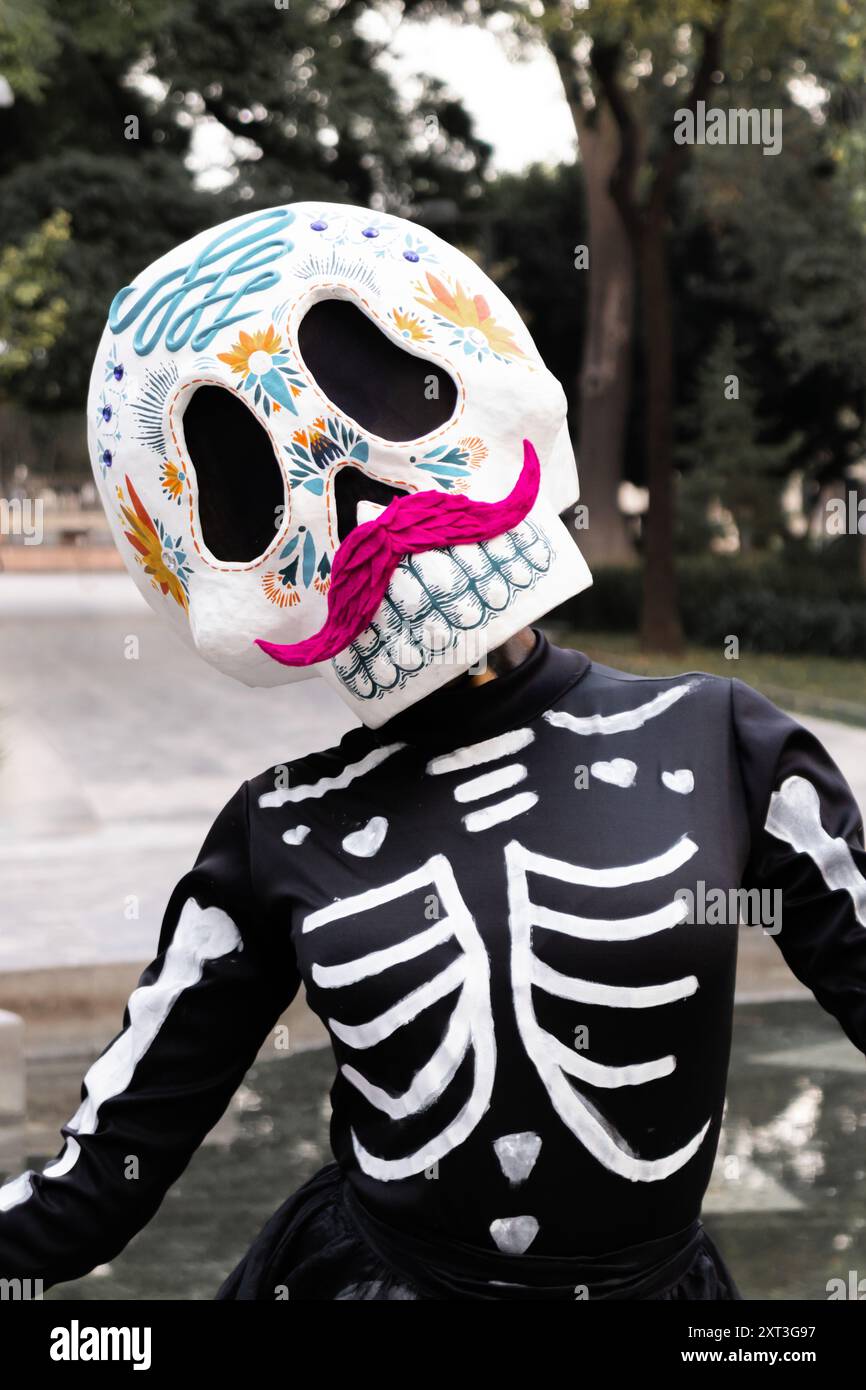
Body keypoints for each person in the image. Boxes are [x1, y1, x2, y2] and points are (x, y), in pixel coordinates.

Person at [2, 204, 864, 1301]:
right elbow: (99, 1184)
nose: (368, 512)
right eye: (252, 487)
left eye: (389, 402)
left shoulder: (728, 745)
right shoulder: (278, 831)